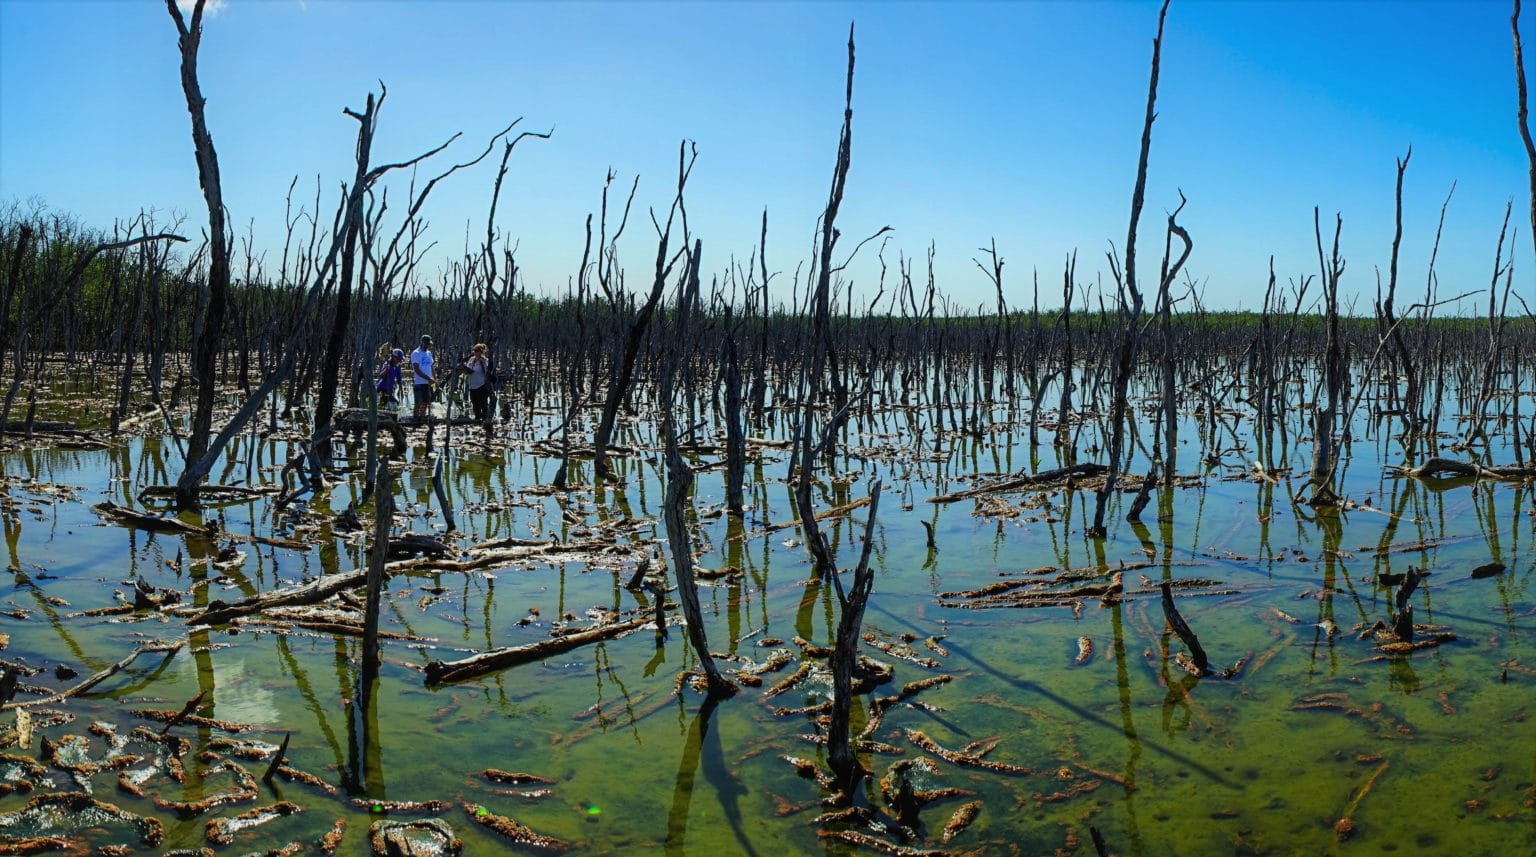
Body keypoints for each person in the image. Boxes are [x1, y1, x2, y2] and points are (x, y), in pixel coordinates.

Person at [462, 342, 492, 422]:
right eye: (474, 350)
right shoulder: (472, 360)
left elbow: (487, 372)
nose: (474, 352)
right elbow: (467, 370)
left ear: (481, 352)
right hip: (472, 386)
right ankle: (477, 418)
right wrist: (465, 371)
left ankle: (485, 419)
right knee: (475, 404)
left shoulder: (485, 361)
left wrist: (481, 361)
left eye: (476, 350)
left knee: (483, 404)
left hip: (482, 385)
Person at [410, 334, 436, 418]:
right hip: (419, 382)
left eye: (429, 344)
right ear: (422, 343)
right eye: (426, 344)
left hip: (428, 383)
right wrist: (428, 378)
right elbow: (417, 370)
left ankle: (422, 418)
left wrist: (435, 379)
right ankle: (415, 419)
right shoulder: (416, 353)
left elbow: (431, 367)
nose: (428, 346)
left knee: (425, 402)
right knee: (418, 403)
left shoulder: (428, 353)